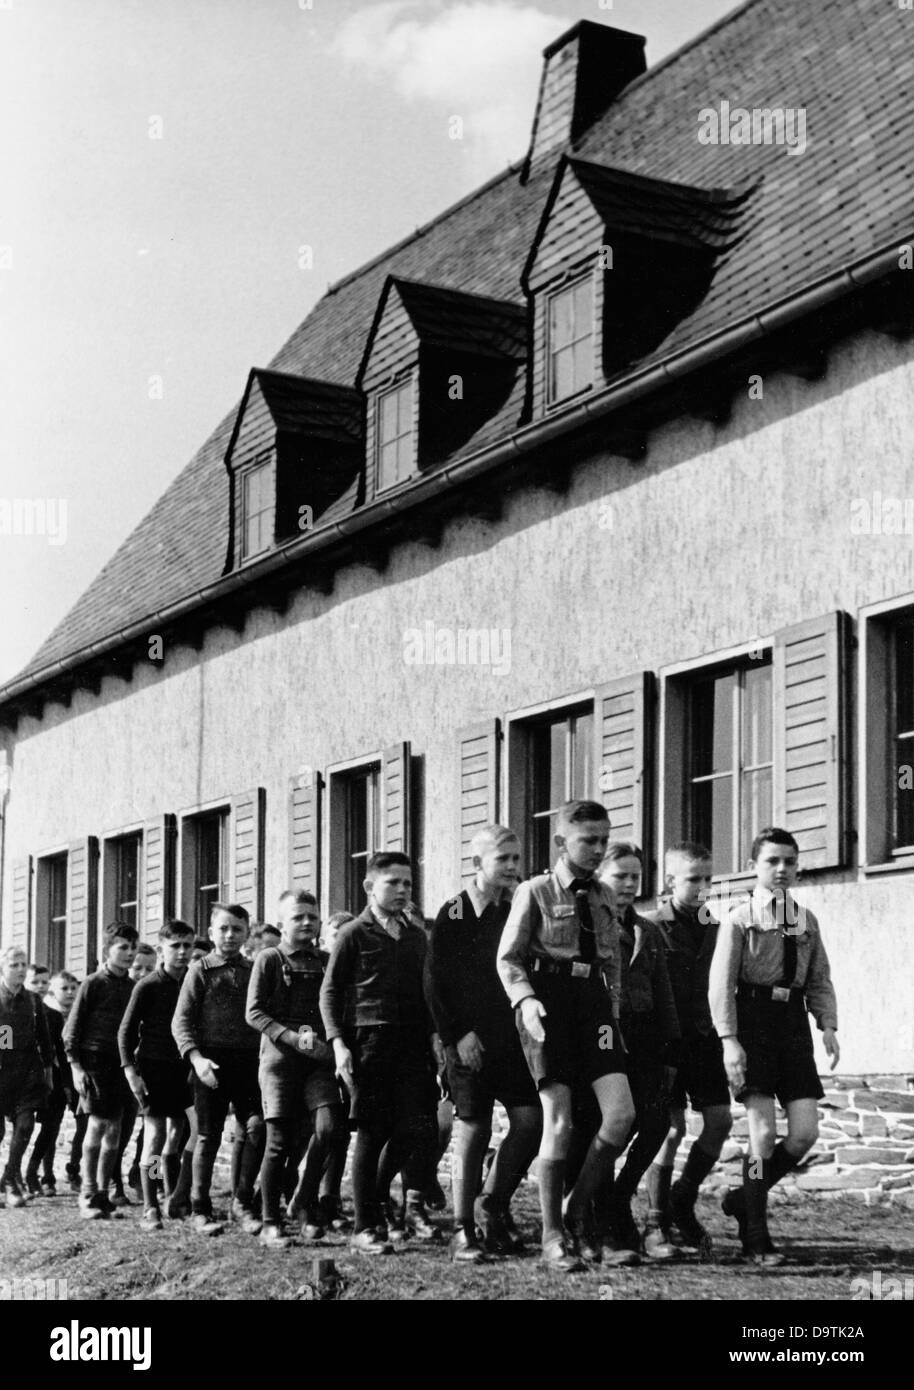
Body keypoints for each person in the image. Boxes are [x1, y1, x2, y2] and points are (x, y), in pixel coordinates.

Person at [497, 800, 635, 1272]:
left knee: (620, 1116)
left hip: (593, 1008)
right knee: (559, 1123)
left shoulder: (602, 895)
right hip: (547, 1004)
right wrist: (525, 1000)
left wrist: (612, 1016)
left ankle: (578, 1209)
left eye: (603, 840)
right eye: (588, 841)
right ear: (561, 842)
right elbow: (508, 957)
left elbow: (612, 961)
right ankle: (552, 1234)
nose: (599, 850)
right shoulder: (534, 891)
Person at [710, 827, 840, 1265]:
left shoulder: (806, 920)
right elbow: (720, 986)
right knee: (762, 1135)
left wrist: (828, 1026)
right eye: (772, 861)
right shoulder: (739, 917)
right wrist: (729, 1041)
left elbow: (819, 977)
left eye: (789, 861)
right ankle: (756, 1238)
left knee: (805, 1132)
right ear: (753, 867)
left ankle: (744, 1198)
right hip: (752, 1023)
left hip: (792, 1025)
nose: (782, 869)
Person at [425, 824, 541, 1262]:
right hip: (467, 1040)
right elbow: (436, 980)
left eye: (516, 859)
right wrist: (457, 1036)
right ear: (478, 864)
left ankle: (491, 1203)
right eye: (502, 859)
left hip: (513, 1038)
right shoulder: (455, 912)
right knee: (472, 1127)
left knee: (530, 1120)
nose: (512, 867)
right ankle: (462, 1228)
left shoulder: (519, 908)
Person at [320, 852, 439, 1256]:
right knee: (372, 1133)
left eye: (408, 883)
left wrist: (435, 1039)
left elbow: (427, 993)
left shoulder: (415, 935)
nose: (403, 890)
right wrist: (338, 1044)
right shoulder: (354, 932)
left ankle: (374, 1195)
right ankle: (364, 1225)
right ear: (370, 887)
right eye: (393, 883)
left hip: (413, 1042)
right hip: (369, 1042)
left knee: (417, 1127)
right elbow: (331, 992)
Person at [644, 842, 732, 1258]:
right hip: (666, 1043)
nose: (701, 887)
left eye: (707, 879)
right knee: (671, 1130)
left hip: (706, 1040)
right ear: (669, 881)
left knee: (719, 1122)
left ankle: (684, 1196)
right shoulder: (651, 926)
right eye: (692, 878)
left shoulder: (720, 929)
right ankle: (656, 1222)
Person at [594, 842, 680, 1262]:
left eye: (634, 877)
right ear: (600, 878)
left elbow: (664, 995)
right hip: (603, 1035)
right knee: (610, 1124)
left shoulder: (649, 929)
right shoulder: (588, 925)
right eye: (619, 876)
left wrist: (670, 1052)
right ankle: (605, 1220)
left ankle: (617, 1197)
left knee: (657, 1121)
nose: (628, 885)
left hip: (644, 1037)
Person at [246, 890, 344, 1247]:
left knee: (329, 1127)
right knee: (279, 1142)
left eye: (312, 916)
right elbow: (254, 1013)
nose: (306, 923)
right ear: (282, 922)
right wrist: (298, 1040)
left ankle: (303, 1202)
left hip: (320, 1061)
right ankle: (272, 1220)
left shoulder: (326, 960)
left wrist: (332, 1044)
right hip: (281, 1061)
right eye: (297, 917)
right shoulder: (269, 959)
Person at [172, 903, 264, 1236]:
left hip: (248, 1062)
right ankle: (197, 1207)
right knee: (205, 1135)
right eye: (223, 929)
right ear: (211, 933)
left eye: (237, 929)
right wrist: (196, 1059)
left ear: (247, 933)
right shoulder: (200, 969)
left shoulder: (254, 970)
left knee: (255, 1128)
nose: (229, 935)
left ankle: (242, 1202)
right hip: (208, 1063)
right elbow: (181, 1021)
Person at [119, 919, 197, 1232]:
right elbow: (125, 1031)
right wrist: (130, 1072)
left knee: (180, 1134)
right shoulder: (148, 985)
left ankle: (175, 1197)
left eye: (187, 946)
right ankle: (150, 1205)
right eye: (175, 946)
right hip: (153, 1067)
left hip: (185, 1067)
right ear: (162, 947)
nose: (181, 952)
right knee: (155, 1137)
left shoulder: (194, 980)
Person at [63, 922, 138, 1220]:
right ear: (106, 950)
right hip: (94, 1062)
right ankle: (88, 1192)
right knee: (97, 1126)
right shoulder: (92, 984)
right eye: (122, 948)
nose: (129, 954)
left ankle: (104, 1193)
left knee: (116, 1129)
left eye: (132, 948)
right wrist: (76, 1067)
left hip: (122, 1063)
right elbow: (72, 1029)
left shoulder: (133, 987)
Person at [0, 946, 52, 1206]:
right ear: (2, 967)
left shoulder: (33, 1000)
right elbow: (4, 1039)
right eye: (14, 965)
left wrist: (48, 1072)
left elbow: (45, 1039)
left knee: (25, 1126)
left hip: (27, 1075)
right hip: (1, 1073)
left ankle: (10, 1179)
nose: (20, 969)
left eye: (23, 964)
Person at [24, 969, 80, 1197]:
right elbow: (4, 1041)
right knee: (22, 1128)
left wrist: (64, 1082)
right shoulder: (9, 1008)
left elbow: (56, 1050)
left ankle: (39, 1174)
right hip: (19, 1077)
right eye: (34, 982)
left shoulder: (52, 1016)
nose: (39, 986)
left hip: (51, 1078)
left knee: (50, 1127)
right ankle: (14, 1176)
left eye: (44, 982)